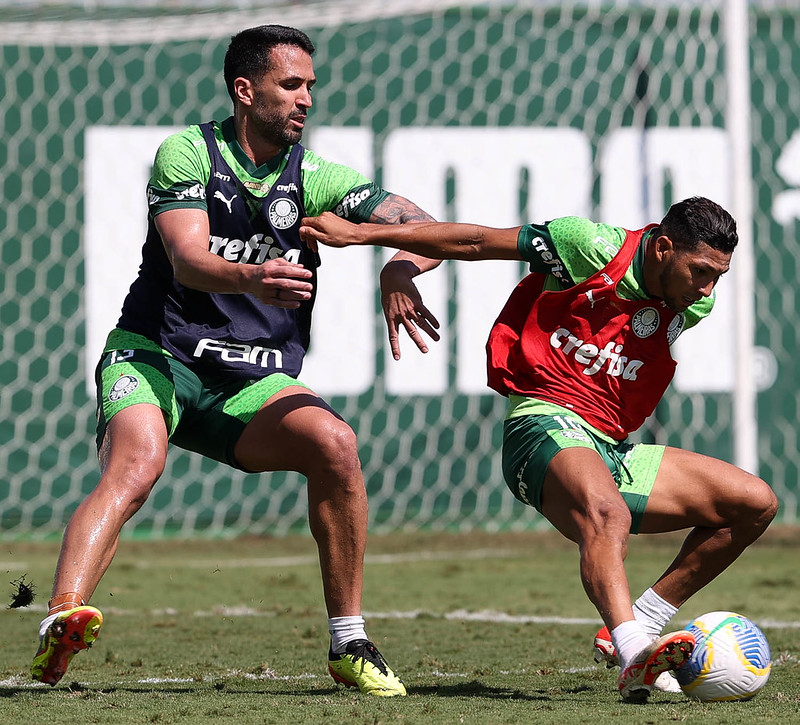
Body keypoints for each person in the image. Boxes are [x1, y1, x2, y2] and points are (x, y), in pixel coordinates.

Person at [30, 24, 437, 697]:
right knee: (138, 464)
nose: (306, 98)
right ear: (246, 91)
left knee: (336, 443)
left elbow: (422, 226)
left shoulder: (318, 177)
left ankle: (348, 640)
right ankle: (63, 617)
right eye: (291, 85)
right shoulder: (188, 153)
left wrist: (399, 266)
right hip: (156, 355)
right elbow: (189, 260)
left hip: (247, 379)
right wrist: (252, 279)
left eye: (310, 85)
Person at [299, 197, 779, 702]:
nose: (707, 289)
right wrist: (367, 238)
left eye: (718, 277)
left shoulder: (693, 302)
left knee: (754, 504)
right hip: (541, 423)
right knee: (605, 513)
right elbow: (478, 240)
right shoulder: (589, 247)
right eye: (700, 271)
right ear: (662, 248)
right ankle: (635, 649)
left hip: (610, 446)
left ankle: (648, 616)